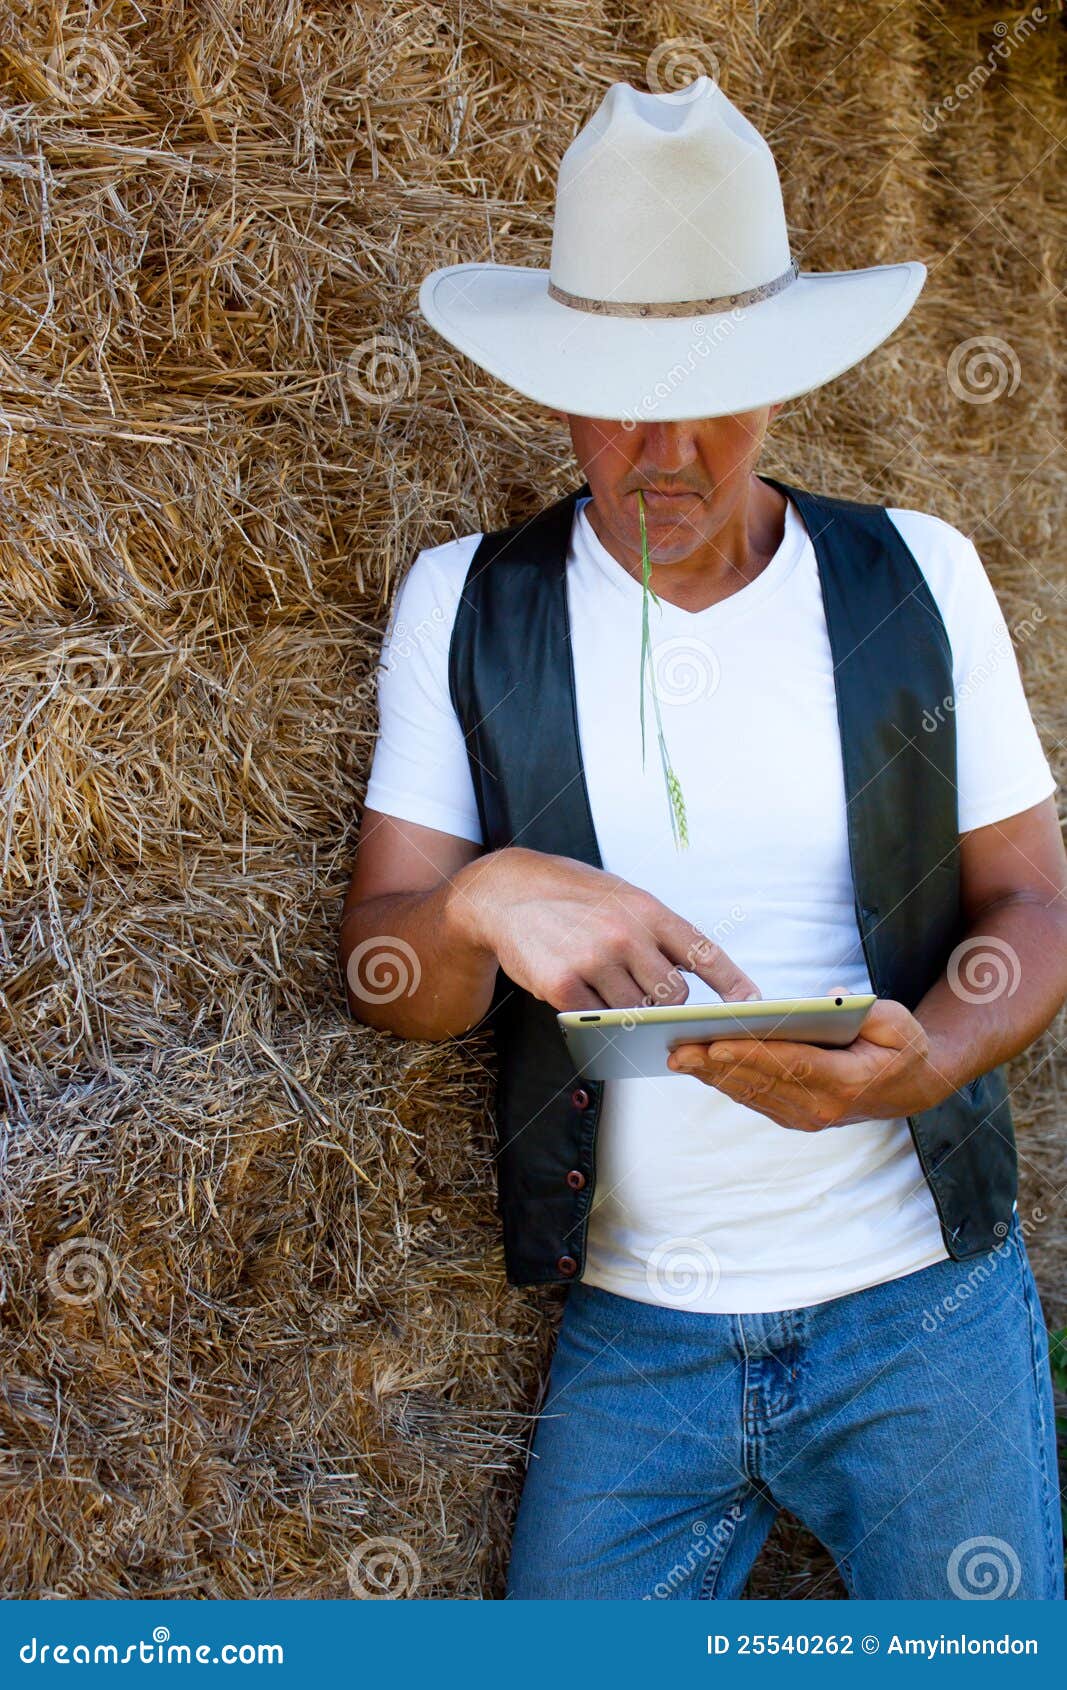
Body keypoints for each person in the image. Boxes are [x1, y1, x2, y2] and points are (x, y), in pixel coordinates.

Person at [339, 77, 1067, 1600]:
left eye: (716, 385)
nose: (664, 450)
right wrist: (476, 901)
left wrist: (934, 1051)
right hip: (638, 1330)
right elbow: (385, 973)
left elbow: (1033, 903)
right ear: (554, 383)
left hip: (924, 1311)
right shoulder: (469, 607)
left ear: (785, 378)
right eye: (618, 391)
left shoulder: (916, 577)